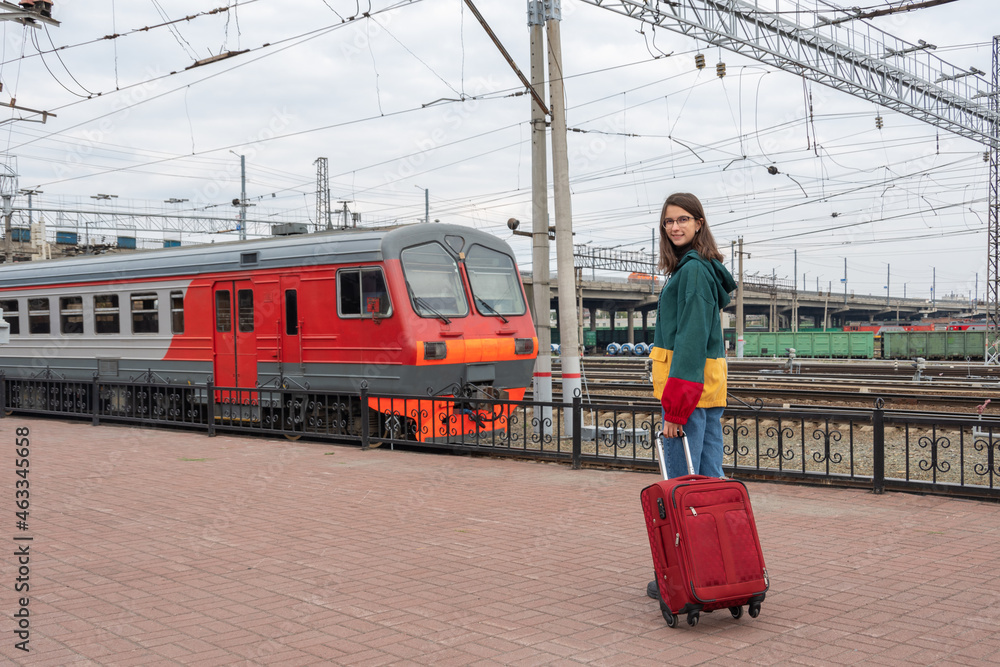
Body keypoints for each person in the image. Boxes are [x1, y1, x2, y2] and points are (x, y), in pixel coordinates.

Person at [645, 192, 736, 599]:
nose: (675, 227)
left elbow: (690, 341)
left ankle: (689, 578)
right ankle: (717, 571)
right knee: (709, 485)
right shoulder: (693, 270)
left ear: (699, 223)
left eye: (683, 219)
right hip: (705, 393)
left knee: (684, 487)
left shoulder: (694, 273)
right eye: (668, 222)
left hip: (689, 398)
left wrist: (675, 409)